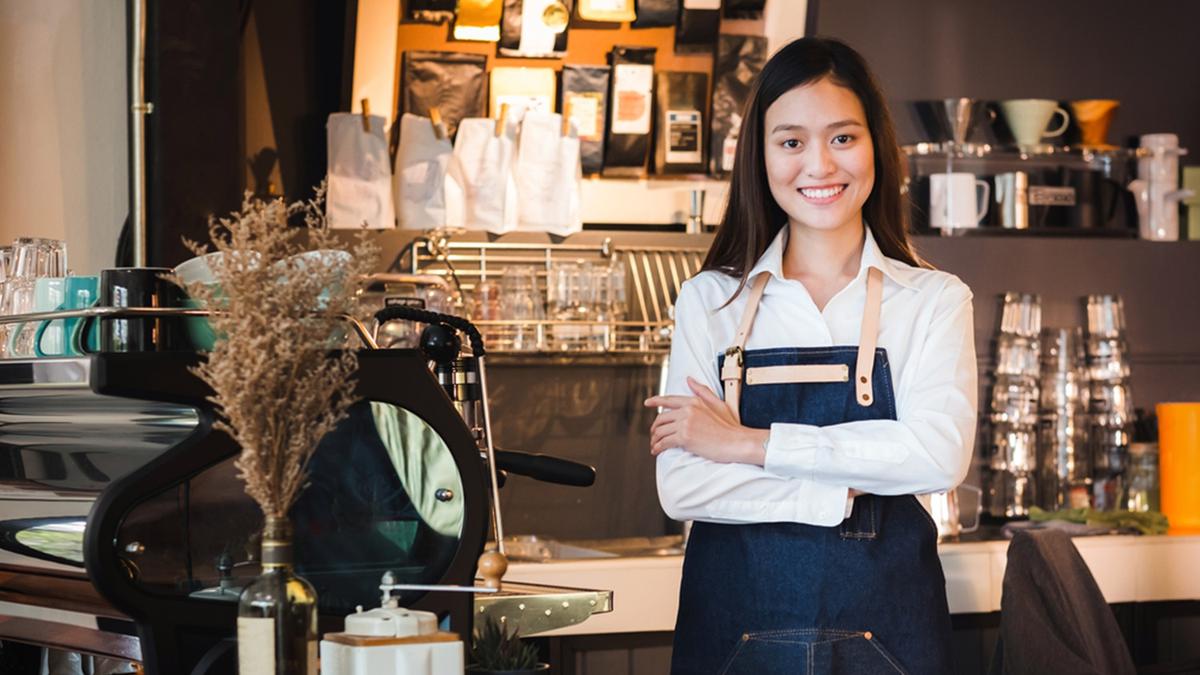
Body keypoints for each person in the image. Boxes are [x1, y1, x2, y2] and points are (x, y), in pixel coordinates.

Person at [645, 37, 977, 674]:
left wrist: (748, 444)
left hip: (892, 642)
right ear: (761, 157)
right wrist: (848, 484)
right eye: (792, 141)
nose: (819, 166)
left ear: (876, 144)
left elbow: (938, 456)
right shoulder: (710, 301)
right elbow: (684, 484)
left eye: (843, 138)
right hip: (733, 642)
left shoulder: (932, 299)